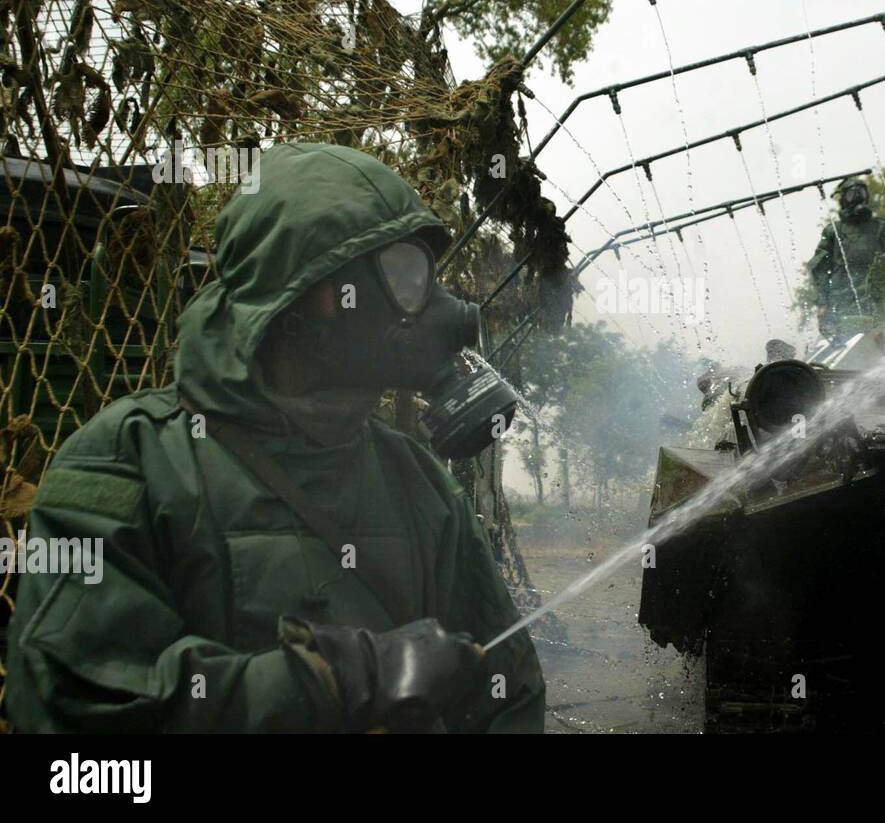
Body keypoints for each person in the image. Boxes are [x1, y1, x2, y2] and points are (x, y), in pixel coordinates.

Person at [4, 143, 544, 732]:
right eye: (402, 276)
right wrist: (326, 683)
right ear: (304, 296)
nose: (445, 309)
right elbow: (74, 722)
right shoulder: (123, 466)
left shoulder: (419, 485)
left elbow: (507, 689)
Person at [806, 175, 885, 338]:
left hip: (875, 296)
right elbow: (819, 269)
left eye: (861, 193)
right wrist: (823, 303)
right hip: (842, 299)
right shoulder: (833, 231)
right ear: (843, 199)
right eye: (851, 194)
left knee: (884, 337)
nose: (857, 198)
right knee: (845, 341)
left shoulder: (880, 227)